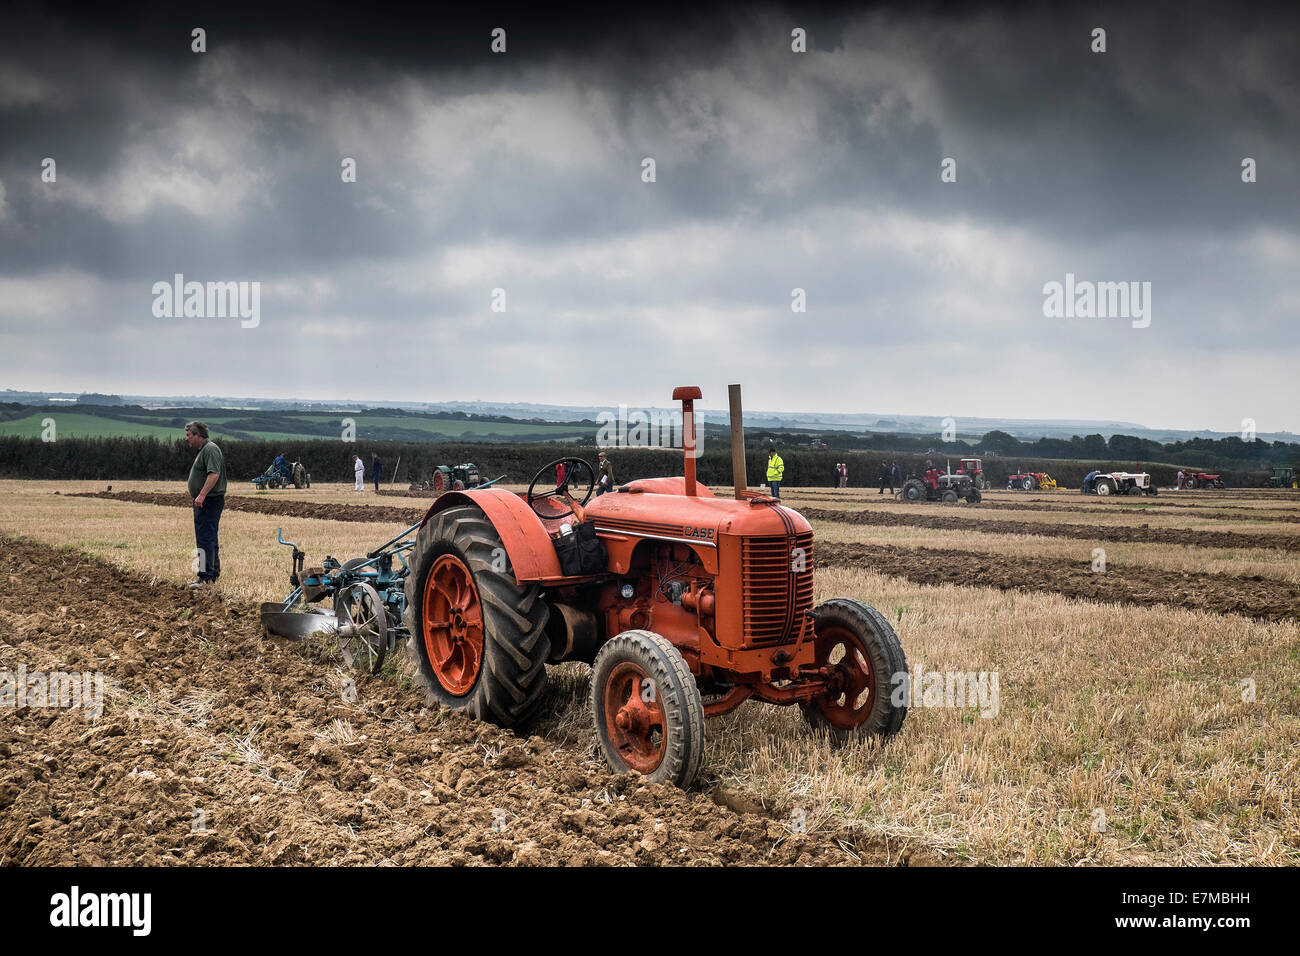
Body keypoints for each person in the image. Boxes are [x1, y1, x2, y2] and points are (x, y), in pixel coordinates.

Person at [184, 421, 226, 589]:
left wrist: (201, 495)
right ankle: (212, 573)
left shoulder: (210, 449)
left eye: (189, 435)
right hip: (206, 500)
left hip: (209, 501)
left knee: (204, 539)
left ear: (198, 435)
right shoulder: (204, 450)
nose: (186, 439)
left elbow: (214, 474)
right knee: (208, 537)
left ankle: (205, 577)